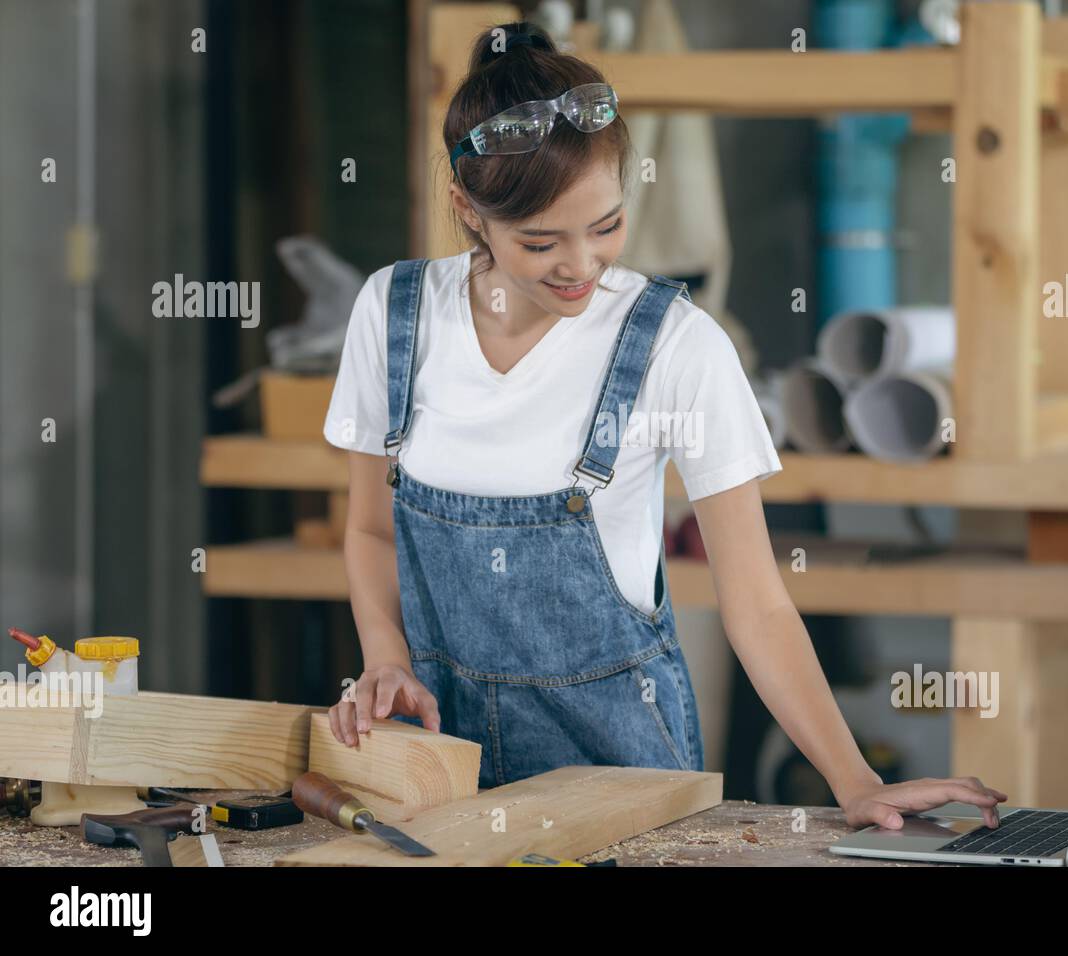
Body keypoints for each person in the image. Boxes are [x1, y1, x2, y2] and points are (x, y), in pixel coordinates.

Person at [322, 20, 1005, 832]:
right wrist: (386, 660)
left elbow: (756, 601)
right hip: (438, 778)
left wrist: (854, 781)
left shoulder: (675, 345)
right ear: (466, 209)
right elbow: (369, 532)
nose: (581, 266)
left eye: (606, 227)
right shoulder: (394, 315)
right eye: (542, 242)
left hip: (623, 790)